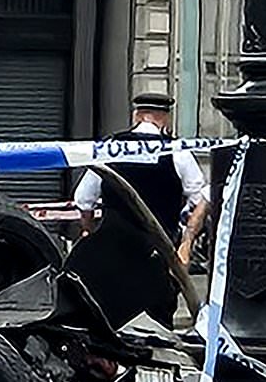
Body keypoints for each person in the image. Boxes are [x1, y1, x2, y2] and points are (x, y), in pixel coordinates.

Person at [71, 93, 210, 270]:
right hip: (160, 249)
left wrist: (89, 230)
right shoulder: (175, 150)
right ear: (165, 118)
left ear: (136, 116)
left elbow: (83, 199)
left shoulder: (110, 147)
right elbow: (199, 199)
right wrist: (185, 237)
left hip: (114, 246)